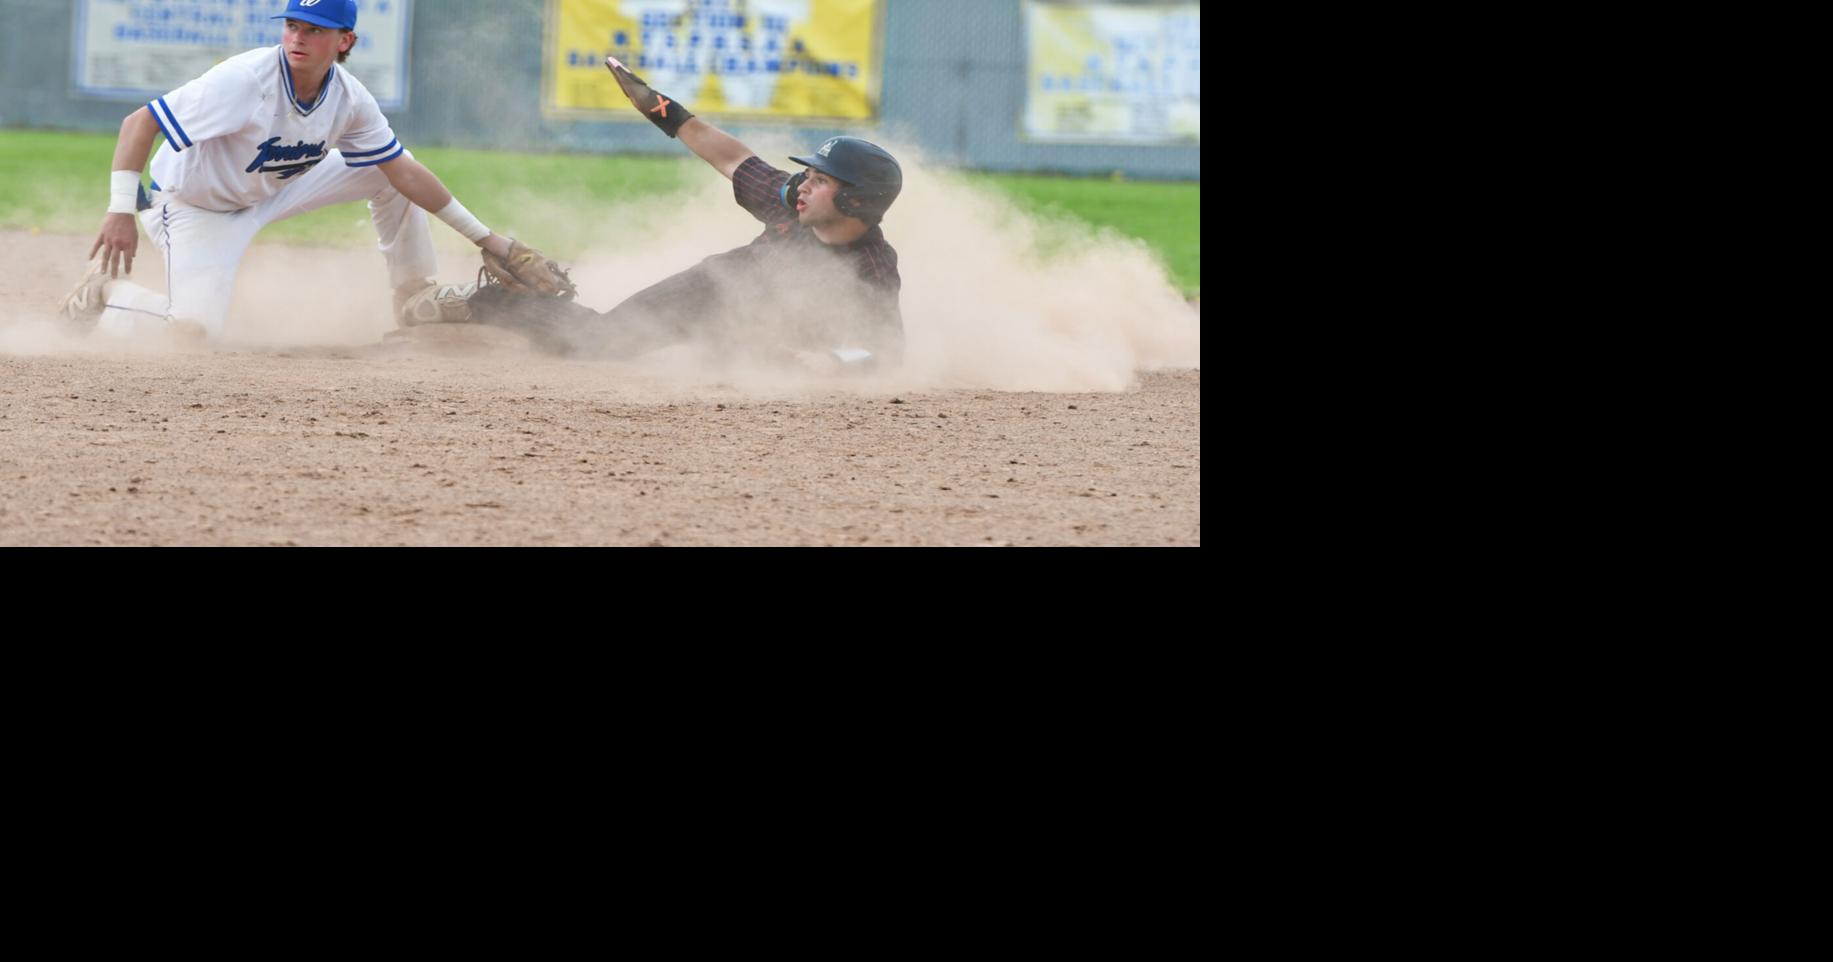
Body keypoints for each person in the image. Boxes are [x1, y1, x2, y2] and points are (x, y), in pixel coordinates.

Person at [58, 0, 535, 340]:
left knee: (392, 170)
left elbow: (403, 172)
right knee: (190, 334)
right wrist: (121, 208)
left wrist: (489, 241)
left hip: (268, 189)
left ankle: (413, 293)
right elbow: (139, 122)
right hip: (193, 206)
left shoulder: (349, 98)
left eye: (314, 29)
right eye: (292, 25)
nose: (298, 38)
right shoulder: (244, 81)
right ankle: (107, 295)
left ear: (344, 40)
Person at [459, 56, 905, 367]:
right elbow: (727, 156)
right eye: (809, 175)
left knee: (758, 360)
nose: (804, 185)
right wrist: (659, 108)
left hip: (758, 329)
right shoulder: (790, 200)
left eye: (822, 180)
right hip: (708, 290)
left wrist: (830, 361)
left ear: (856, 202)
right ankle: (478, 303)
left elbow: (885, 352)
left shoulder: (870, 267)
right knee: (593, 343)